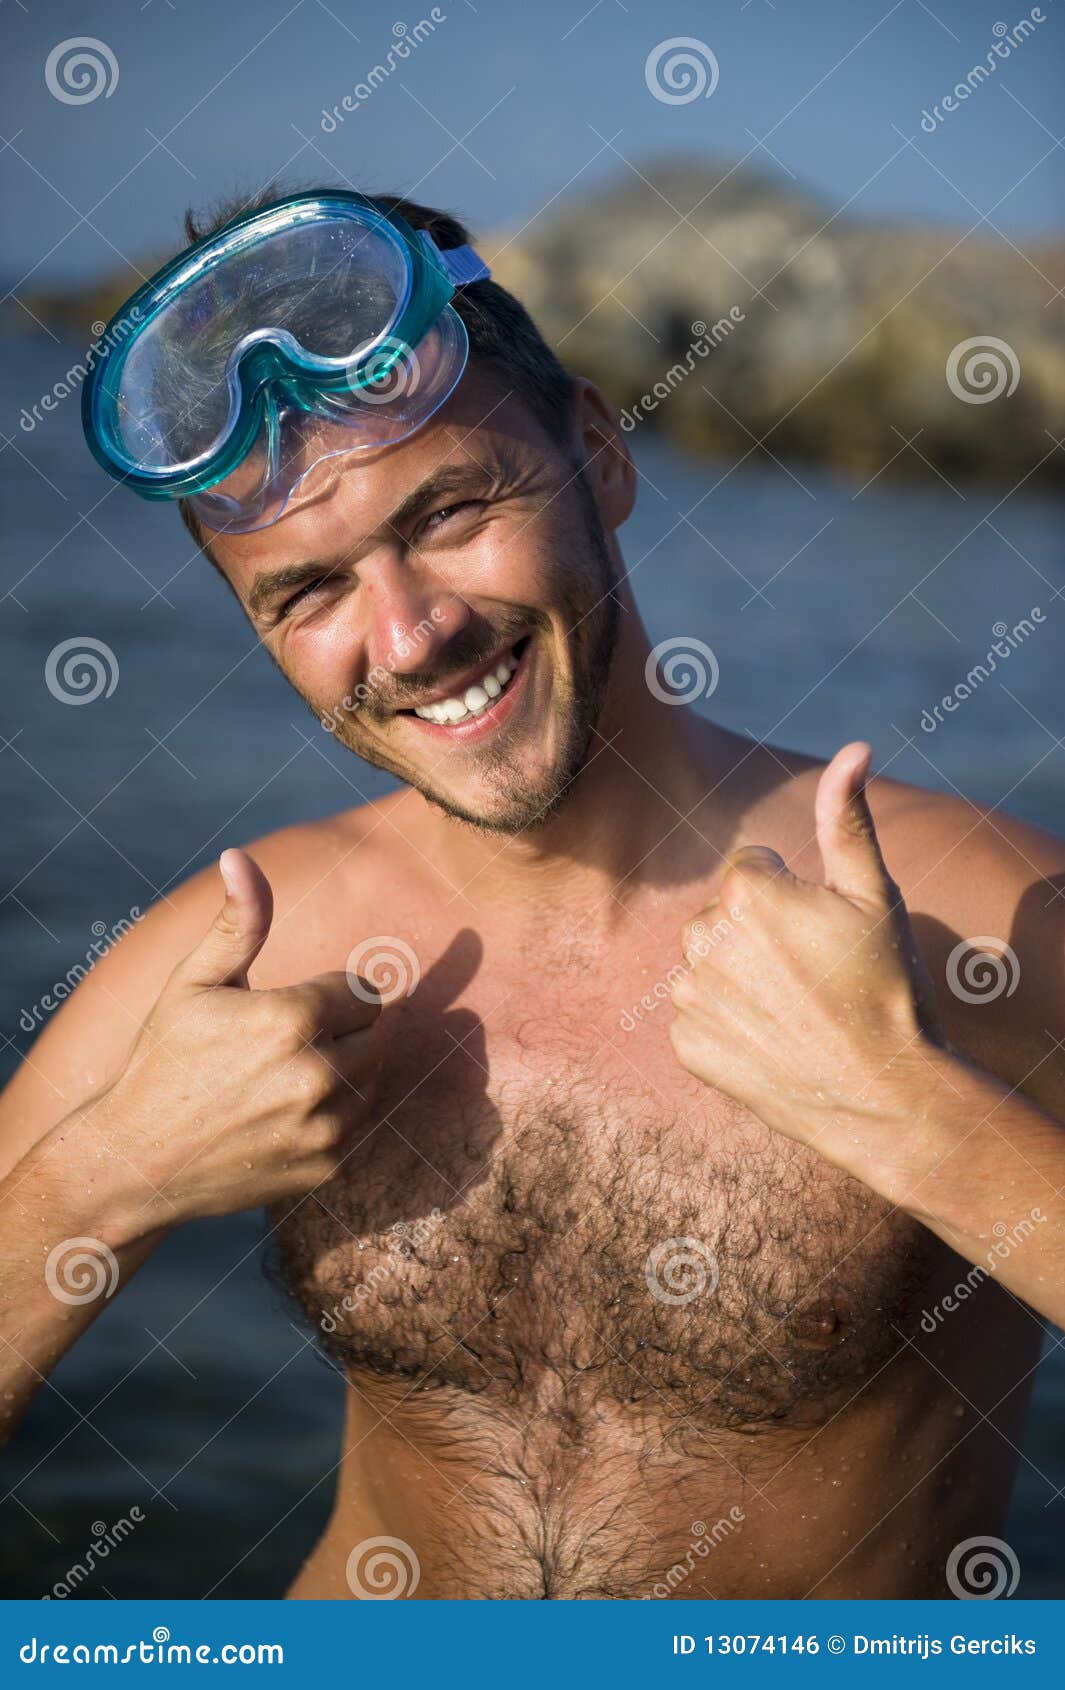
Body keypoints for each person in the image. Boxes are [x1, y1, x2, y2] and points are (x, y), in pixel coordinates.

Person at [1, 186, 1063, 1601]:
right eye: (309, 593)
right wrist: (105, 1180)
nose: (410, 636)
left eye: (449, 514)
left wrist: (916, 1116)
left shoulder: (974, 918)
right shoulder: (240, 953)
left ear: (601, 456)